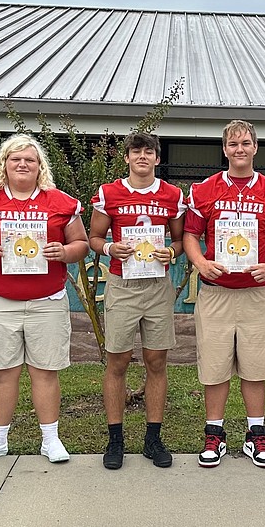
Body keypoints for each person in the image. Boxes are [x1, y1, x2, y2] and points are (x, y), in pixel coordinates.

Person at [0, 134, 89, 464]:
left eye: (30, 159)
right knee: (2, 372)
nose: (22, 164)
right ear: (4, 164)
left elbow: (81, 244)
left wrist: (65, 251)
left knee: (46, 371)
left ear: (40, 165)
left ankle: (50, 439)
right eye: (15, 159)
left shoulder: (61, 202)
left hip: (47, 300)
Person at [183, 120, 265, 469]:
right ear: (224, 149)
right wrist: (201, 262)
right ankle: (214, 434)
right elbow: (190, 235)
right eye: (233, 144)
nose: (239, 149)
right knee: (215, 366)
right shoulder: (204, 190)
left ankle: (256, 434)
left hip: (257, 293)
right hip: (216, 292)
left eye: (245, 143)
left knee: (255, 366)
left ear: (255, 147)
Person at [88, 132, 185, 470]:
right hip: (123, 283)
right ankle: (115, 438)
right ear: (127, 157)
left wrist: (171, 252)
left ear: (157, 158)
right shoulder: (109, 193)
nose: (142, 156)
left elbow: (180, 240)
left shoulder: (172, 194)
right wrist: (109, 248)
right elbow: (94, 237)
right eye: (136, 151)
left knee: (156, 362)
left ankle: (152, 438)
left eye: (149, 151)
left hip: (157, 285)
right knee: (117, 361)